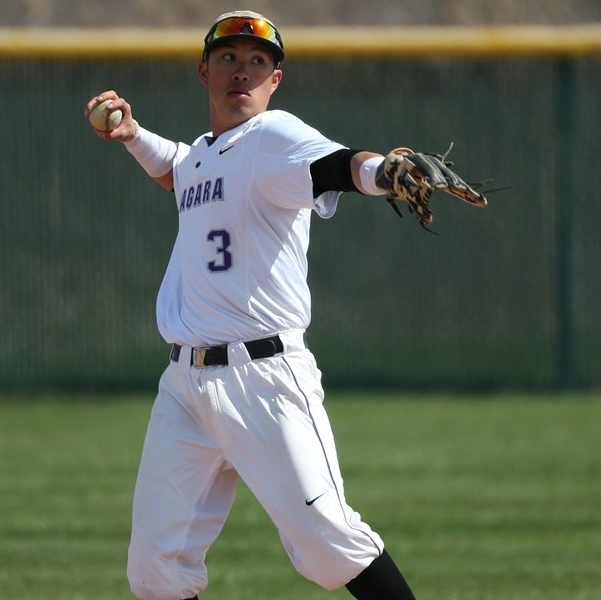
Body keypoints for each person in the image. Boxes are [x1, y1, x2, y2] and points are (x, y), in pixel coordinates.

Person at [86, 10, 486, 600]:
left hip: (263, 379)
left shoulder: (273, 136)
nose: (241, 71)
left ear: (275, 81)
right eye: (228, 57)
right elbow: (181, 170)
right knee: (156, 568)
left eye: (258, 62)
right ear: (204, 72)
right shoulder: (205, 154)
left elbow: (336, 165)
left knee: (327, 543)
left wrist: (384, 171)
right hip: (184, 388)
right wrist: (132, 136)